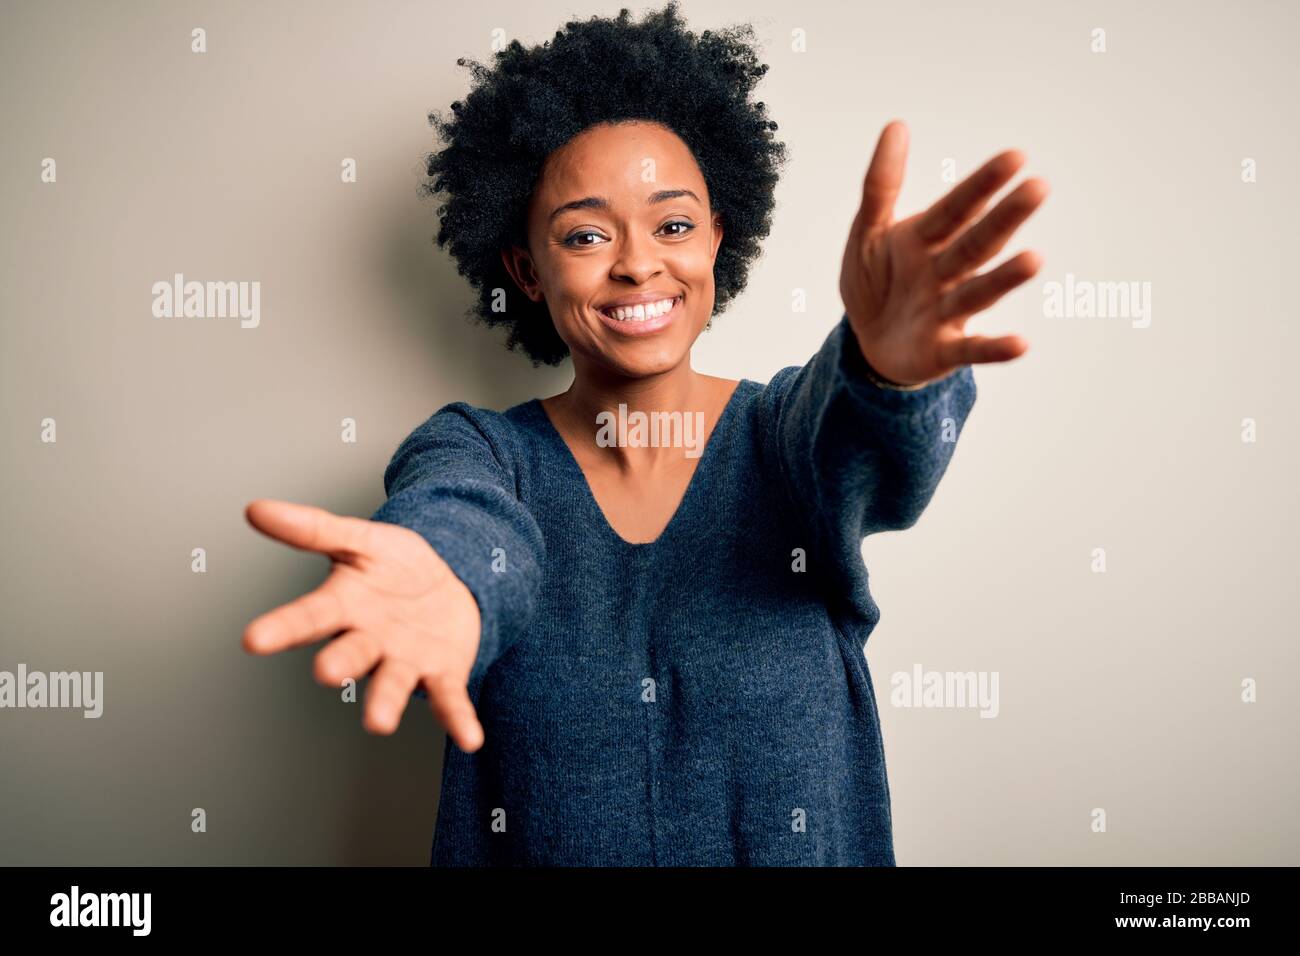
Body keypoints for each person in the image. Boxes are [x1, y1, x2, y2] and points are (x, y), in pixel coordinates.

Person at [242, 3, 1047, 865]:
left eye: (673, 225)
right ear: (527, 271)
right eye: (586, 235)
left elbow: (859, 441)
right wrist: (447, 575)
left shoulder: (781, 439)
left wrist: (882, 368)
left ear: (716, 239)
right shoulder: (484, 455)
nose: (636, 263)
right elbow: (458, 518)